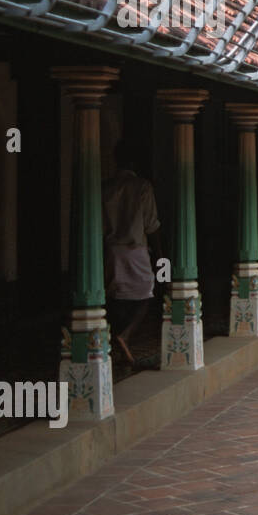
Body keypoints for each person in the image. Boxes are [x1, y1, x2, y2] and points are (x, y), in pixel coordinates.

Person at [102, 140, 160, 370]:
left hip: (110, 249)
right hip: (135, 250)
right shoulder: (142, 186)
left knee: (116, 296)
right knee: (145, 295)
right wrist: (161, 257)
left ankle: (115, 338)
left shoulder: (106, 186)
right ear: (135, 162)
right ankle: (124, 334)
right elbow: (152, 224)